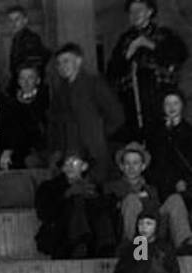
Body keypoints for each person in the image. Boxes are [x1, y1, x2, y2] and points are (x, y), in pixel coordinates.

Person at [106, 0, 188, 144]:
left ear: (150, 12)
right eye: (132, 12)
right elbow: (112, 72)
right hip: (133, 106)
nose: (135, 15)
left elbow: (179, 55)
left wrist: (148, 44)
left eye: (139, 10)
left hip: (160, 101)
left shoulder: (164, 35)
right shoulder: (125, 40)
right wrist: (129, 52)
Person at [47, 43, 125, 180]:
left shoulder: (94, 84)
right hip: (68, 152)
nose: (62, 66)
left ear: (78, 61)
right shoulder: (60, 91)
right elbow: (55, 122)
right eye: (58, 63)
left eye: (66, 61)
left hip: (93, 150)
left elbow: (116, 116)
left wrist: (98, 132)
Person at [104, 140, 192, 250]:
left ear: (143, 166)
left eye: (135, 163)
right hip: (130, 231)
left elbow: (157, 211)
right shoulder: (111, 187)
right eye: (127, 163)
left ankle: (184, 243)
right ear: (121, 167)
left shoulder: (151, 188)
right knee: (131, 200)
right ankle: (132, 247)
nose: (131, 167)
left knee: (175, 199)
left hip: (153, 227)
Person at [109, 202, 191, 273]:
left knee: (158, 266)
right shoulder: (131, 248)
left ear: (156, 226)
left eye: (149, 224)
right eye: (141, 224)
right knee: (148, 263)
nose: (144, 228)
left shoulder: (164, 247)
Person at [34, 152, 116, 259]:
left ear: (84, 166)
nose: (70, 166)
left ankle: (100, 245)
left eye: (75, 162)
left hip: (94, 241)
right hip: (61, 238)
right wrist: (67, 195)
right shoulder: (48, 188)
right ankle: (79, 240)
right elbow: (44, 213)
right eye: (66, 163)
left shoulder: (95, 188)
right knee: (77, 200)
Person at [0, 63, 51, 169]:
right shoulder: (11, 105)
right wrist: (8, 150)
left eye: (30, 77)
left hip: (47, 149)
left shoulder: (47, 100)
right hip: (23, 152)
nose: (26, 82)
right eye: (22, 78)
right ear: (18, 81)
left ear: (38, 80)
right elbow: (10, 131)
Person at [145, 91, 192, 204]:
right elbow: (155, 158)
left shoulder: (188, 132)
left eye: (175, 103)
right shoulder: (155, 131)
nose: (171, 107)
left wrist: (185, 180)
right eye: (167, 104)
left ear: (182, 105)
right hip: (161, 183)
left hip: (183, 185)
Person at [5, 5, 49, 94]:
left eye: (17, 19)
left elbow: (31, 68)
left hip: (28, 86)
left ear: (25, 21)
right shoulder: (17, 39)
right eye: (10, 21)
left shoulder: (31, 39)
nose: (13, 24)